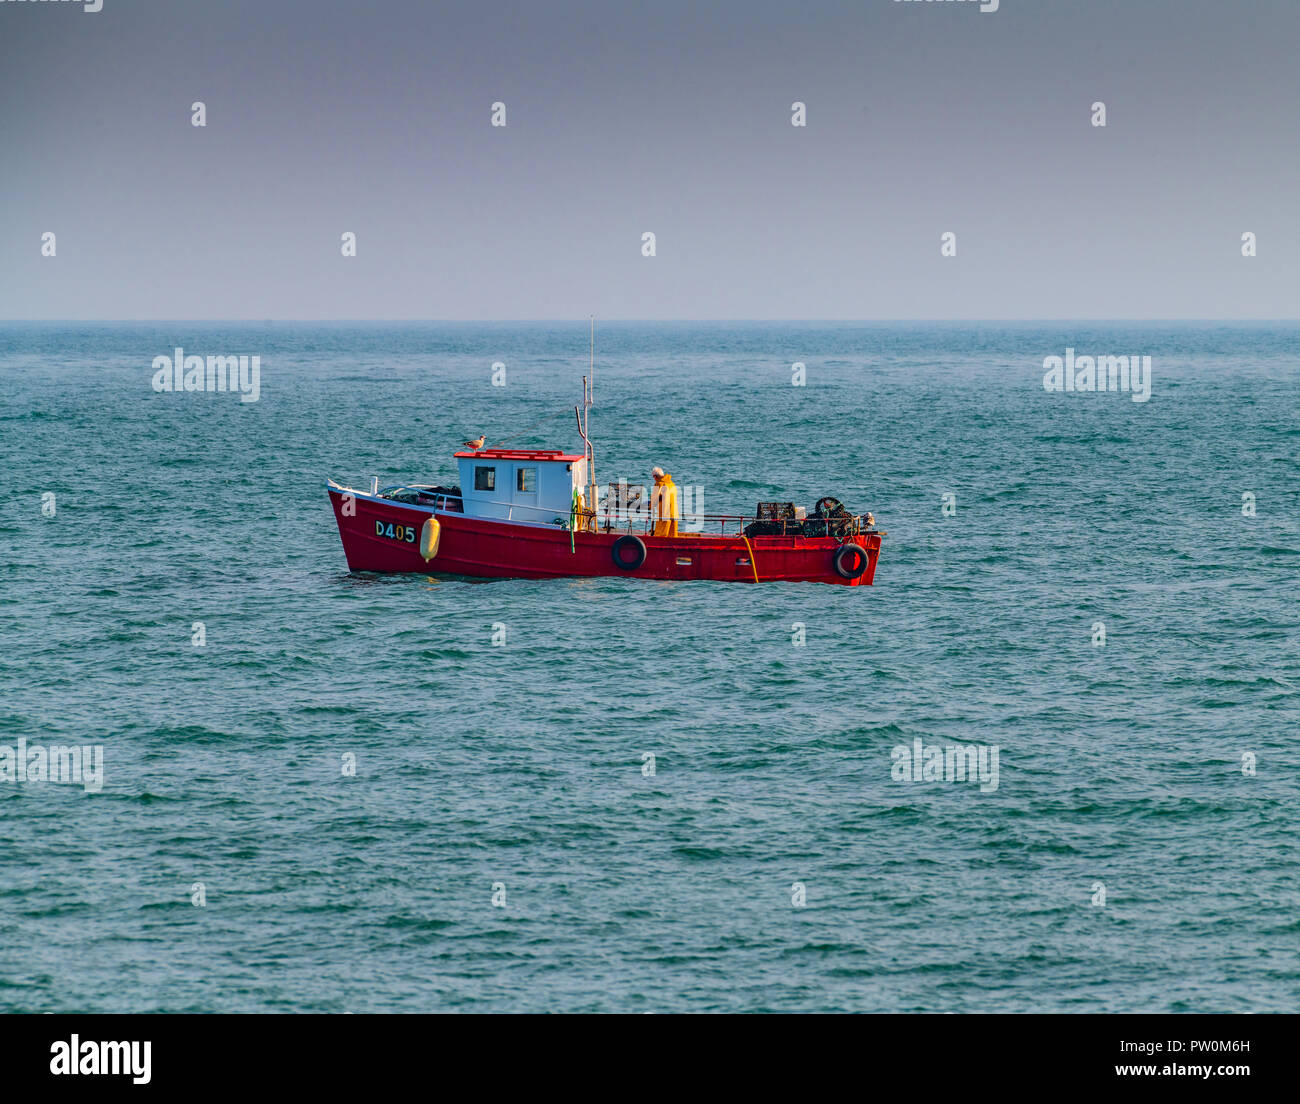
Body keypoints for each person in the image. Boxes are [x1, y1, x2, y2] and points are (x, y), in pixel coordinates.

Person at [651, 466, 679, 537]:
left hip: (664, 515)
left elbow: (654, 500)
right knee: (672, 536)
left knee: (660, 535)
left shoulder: (659, 484)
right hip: (674, 514)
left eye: (653, 477)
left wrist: (649, 506)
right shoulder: (672, 484)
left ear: (655, 476)